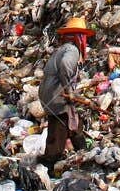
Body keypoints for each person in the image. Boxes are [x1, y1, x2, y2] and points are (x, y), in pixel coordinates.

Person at [38, 16, 95, 174]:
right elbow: (65, 66)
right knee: (60, 127)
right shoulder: (72, 50)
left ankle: (83, 152)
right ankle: (49, 164)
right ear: (80, 37)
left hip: (48, 91)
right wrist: (69, 90)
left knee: (73, 121)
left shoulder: (63, 49)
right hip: (56, 94)